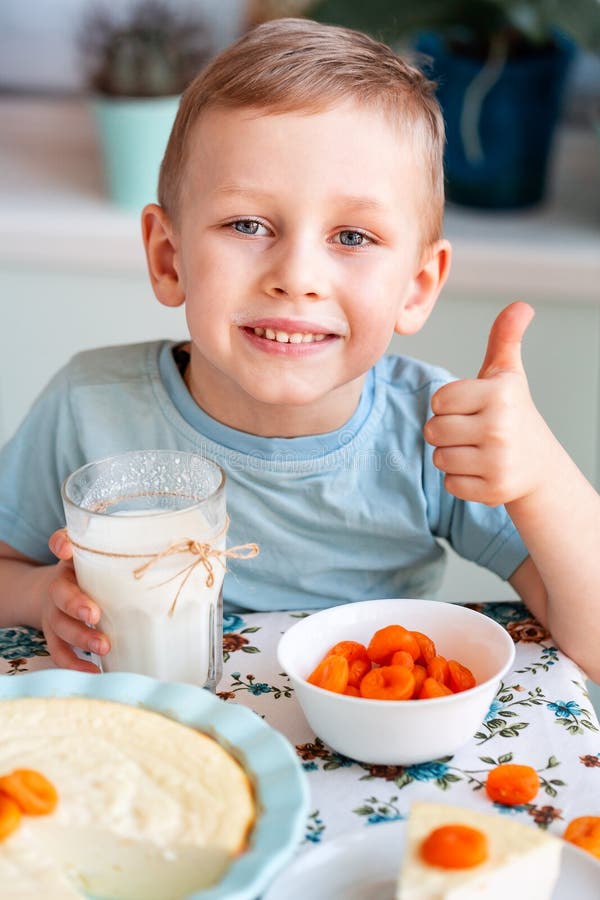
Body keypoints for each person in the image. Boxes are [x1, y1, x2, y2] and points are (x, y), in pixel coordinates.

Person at [0, 19, 598, 680]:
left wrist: (543, 476)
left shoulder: (434, 429)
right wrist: (36, 594)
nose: (297, 276)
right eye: (249, 224)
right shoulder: (89, 406)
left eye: (352, 237)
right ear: (169, 258)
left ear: (417, 286)